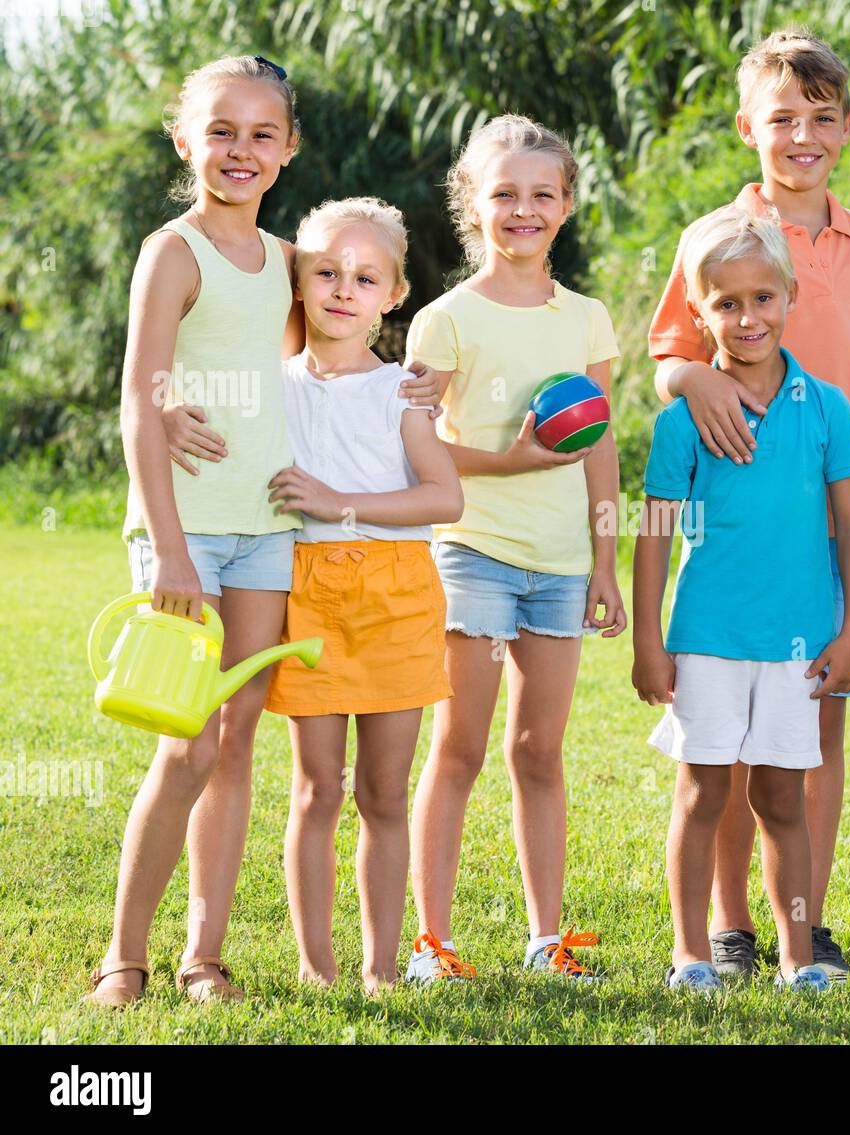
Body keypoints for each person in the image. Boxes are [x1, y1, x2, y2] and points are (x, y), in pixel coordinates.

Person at [645, 29, 850, 980]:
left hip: (841, 520)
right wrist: (686, 382)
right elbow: (670, 350)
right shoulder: (719, 238)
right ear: (750, 127)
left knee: (813, 732)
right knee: (730, 750)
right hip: (749, 522)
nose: (802, 135)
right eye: (783, 118)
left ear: (847, 128)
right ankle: (730, 927)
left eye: (822, 118)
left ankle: (806, 920)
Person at [91, 54, 305, 1008]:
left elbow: (312, 360)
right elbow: (141, 391)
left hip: (267, 529)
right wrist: (169, 547)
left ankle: (203, 956)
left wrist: (411, 381)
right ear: (186, 141)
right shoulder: (171, 250)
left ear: (289, 149)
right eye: (221, 131)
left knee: (236, 738)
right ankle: (122, 959)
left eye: (262, 133)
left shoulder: (288, 260)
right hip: (186, 532)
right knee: (186, 740)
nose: (241, 150)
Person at [401, 115, 626, 985]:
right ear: (474, 205)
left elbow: (599, 444)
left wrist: (606, 562)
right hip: (474, 551)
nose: (523, 209)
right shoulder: (446, 320)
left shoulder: (588, 318)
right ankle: (433, 942)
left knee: (539, 750)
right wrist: (507, 460)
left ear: (566, 204)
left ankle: (546, 938)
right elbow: (412, 445)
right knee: (456, 748)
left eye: (541, 194)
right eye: (504, 194)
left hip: (563, 562)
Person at [634, 209, 850, 992]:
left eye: (763, 298)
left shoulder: (828, 407)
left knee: (781, 796)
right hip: (706, 637)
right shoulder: (683, 422)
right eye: (726, 303)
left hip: (800, 643)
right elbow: (654, 537)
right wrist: (648, 640)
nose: (747, 317)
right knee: (704, 791)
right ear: (698, 313)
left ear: (791, 295)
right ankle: (691, 953)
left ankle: (798, 955)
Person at [261, 197, 463, 994]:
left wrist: (336, 500)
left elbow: (443, 499)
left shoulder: (401, 396)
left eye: (365, 276)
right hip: (304, 594)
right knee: (316, 788)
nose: (344, 288)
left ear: (394, 294)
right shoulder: (272, 385)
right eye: (326, 272)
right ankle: (319, 967)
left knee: (383, 790)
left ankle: (382, 966)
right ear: (299, 283)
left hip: (396, 597)